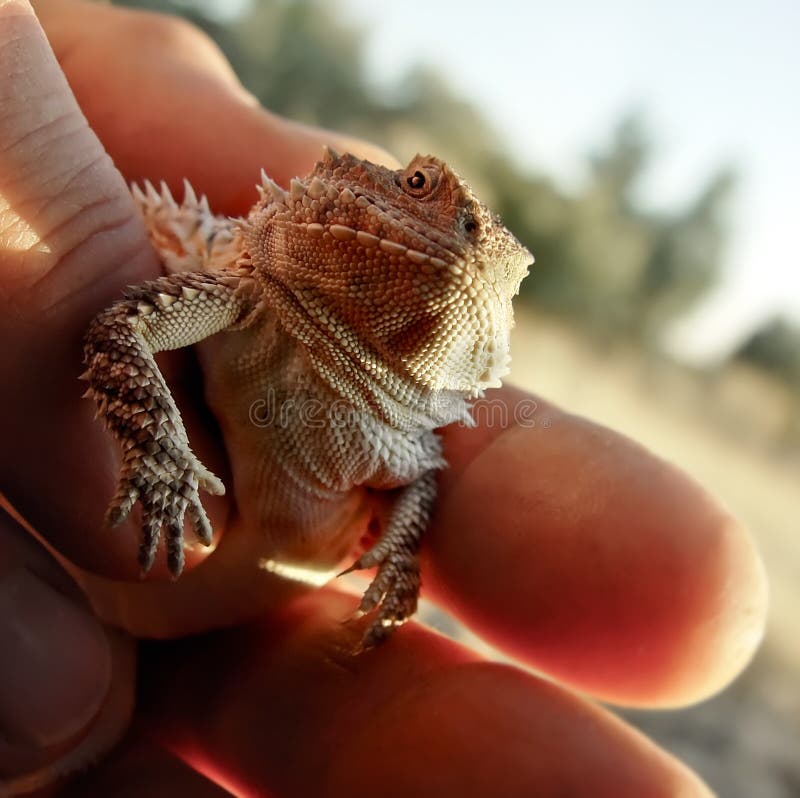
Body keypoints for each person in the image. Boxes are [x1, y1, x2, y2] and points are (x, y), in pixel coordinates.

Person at [0, 1, 767, 795]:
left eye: (492, 267)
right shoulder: (238, 295)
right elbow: (120, 332)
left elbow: (418, 483)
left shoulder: (402, 441)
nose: (457, 235)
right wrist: (157, 455)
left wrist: (399, 559)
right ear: (335, 184)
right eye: (421, 186)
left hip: (180, 638)